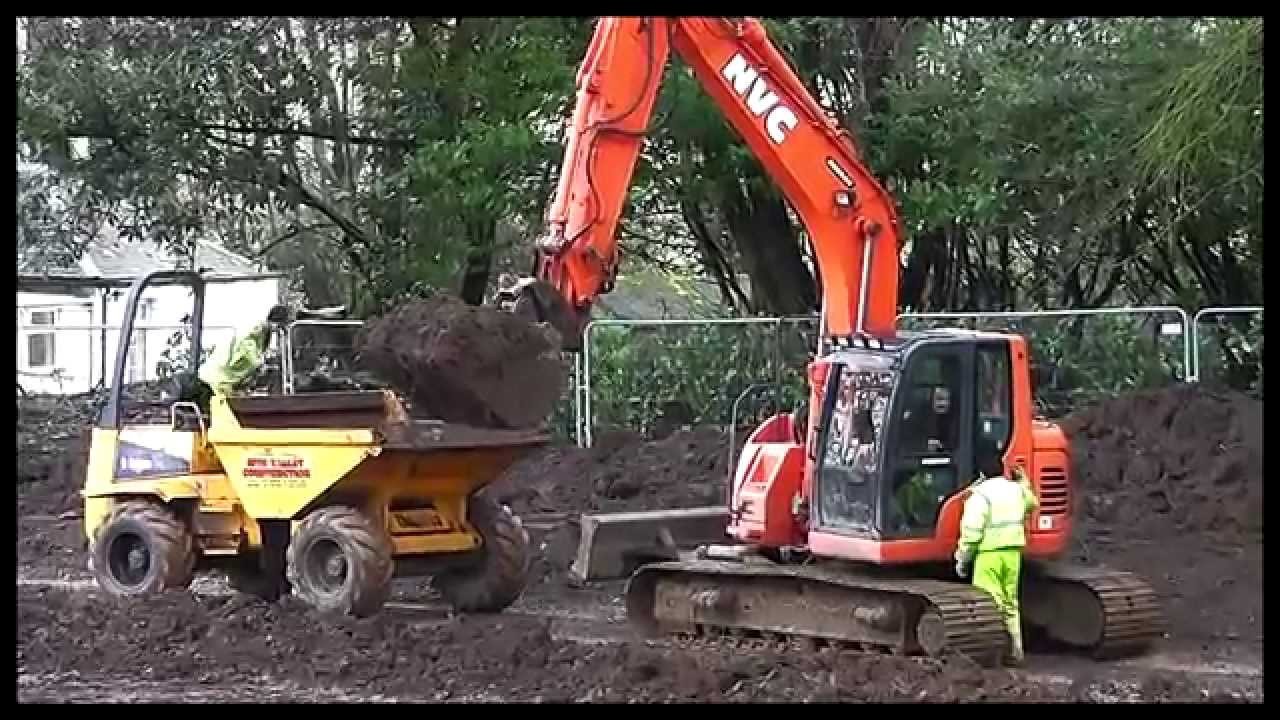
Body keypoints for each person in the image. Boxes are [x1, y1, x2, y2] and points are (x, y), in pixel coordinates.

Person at [953, 450, 1039, 666]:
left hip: (989, 555)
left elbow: (972, 532)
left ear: (980, 473)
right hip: (1013, 554)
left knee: (989, 603)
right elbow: (1032, 502)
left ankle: (992, 653)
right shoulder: (1016, 490)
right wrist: (1024, 482)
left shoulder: (980, 495)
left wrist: (962, 559)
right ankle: (1016, 650)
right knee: (1010, 602)